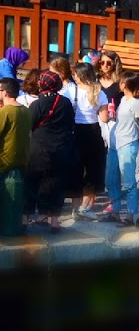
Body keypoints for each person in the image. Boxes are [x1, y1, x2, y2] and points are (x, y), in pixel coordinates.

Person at [27, 71, 79, 233]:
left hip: (38, 150)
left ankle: (24, 218)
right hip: (60, 150)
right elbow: (71, 125)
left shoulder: (37, 105)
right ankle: (54, 221)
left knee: (32, 183)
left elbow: (30, 124)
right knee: (55, 185)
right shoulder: (65, 103)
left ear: (42, 84)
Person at [103, 71, 139, 226]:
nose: (119, 83)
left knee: (128, 182)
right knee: (111, 180)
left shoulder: (136, 102)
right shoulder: (124, 99)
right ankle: (116, 211)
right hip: (114, 145)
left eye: (121, 81)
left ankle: (131, 215)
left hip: (127, 145)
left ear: (125, 84)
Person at [65, 62, 107, 219]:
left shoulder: (70, 91)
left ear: (80, 75)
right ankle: (84, 207)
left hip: (75, 131)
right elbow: (103, 117)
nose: (74, 76)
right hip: (93, 132)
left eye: (75, 74)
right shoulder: (100, 93)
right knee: (92, 170)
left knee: (75, 169)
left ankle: (75, 209)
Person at [0, 78, 33, 227]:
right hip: (22, 159)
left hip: (5, 161)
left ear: (5, 92)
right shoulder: (26, 110)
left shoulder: (5, 111)